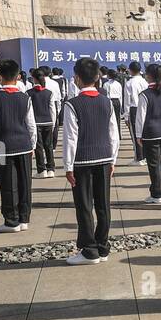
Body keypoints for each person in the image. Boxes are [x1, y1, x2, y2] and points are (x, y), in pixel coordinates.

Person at [61, 57, 119, 264]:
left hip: (83, 161)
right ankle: (102, 245)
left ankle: (89, 249)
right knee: (103, 204)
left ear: (76, 77)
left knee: (84, 205)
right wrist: (113, 159)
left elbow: (70, 138)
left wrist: (68, 166)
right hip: (104, 158)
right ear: (97, 77)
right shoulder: (106, 102)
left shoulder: (72, 104)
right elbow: (114, 133)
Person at [0, 59, 37, 233]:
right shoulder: (25, 97)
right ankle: (24, 218)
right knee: (25, 182)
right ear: (17, 76)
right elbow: (31, 125)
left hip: (0, 144)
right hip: (24, 143)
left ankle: (10, 220)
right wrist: (33, 144)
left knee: (6, 183)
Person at [135, 63, 161, 204]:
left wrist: (139, 135)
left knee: (153, 164)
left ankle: (156, 194)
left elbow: (140, 118)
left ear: (149, 76)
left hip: (150, 133)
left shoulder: (145, 95)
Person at [28, 68, 60, 178]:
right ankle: (51, 168)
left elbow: (29, 111)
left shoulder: (29, 93)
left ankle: (41, 170)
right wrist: (53, 123)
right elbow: (52, 110)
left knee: (39, 147)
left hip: (35, 123)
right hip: (48, 122)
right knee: (49, 146)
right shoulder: (48, 93)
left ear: (34, 79)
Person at [123, 60, 144, 162]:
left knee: (135, 133)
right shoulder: (144, 81)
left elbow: (127, 100)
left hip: (134, 108)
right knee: (144, 132)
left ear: (130, 70)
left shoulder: (129, 83)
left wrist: (126, 116)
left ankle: (139, 157)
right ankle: (144, 156)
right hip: (144, 107)